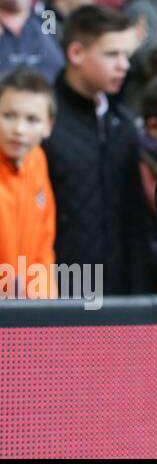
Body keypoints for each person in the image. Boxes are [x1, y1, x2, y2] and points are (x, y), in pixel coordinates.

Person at [43, 4, 152, 295]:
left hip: (120, 292)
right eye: (112, 54)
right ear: (76, 53)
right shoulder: (41, 121)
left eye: (126, 56)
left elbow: (135, 218)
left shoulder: (124, 123)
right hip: (57, 292)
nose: (124, 65)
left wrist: (139, 289)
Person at [0, 68, 57, 297]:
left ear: (48, 126)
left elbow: (43, 248)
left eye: (32, 119)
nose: (19, 130)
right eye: (8, 116)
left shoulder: (37, 160)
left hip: (24, 311)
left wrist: (47, 312)